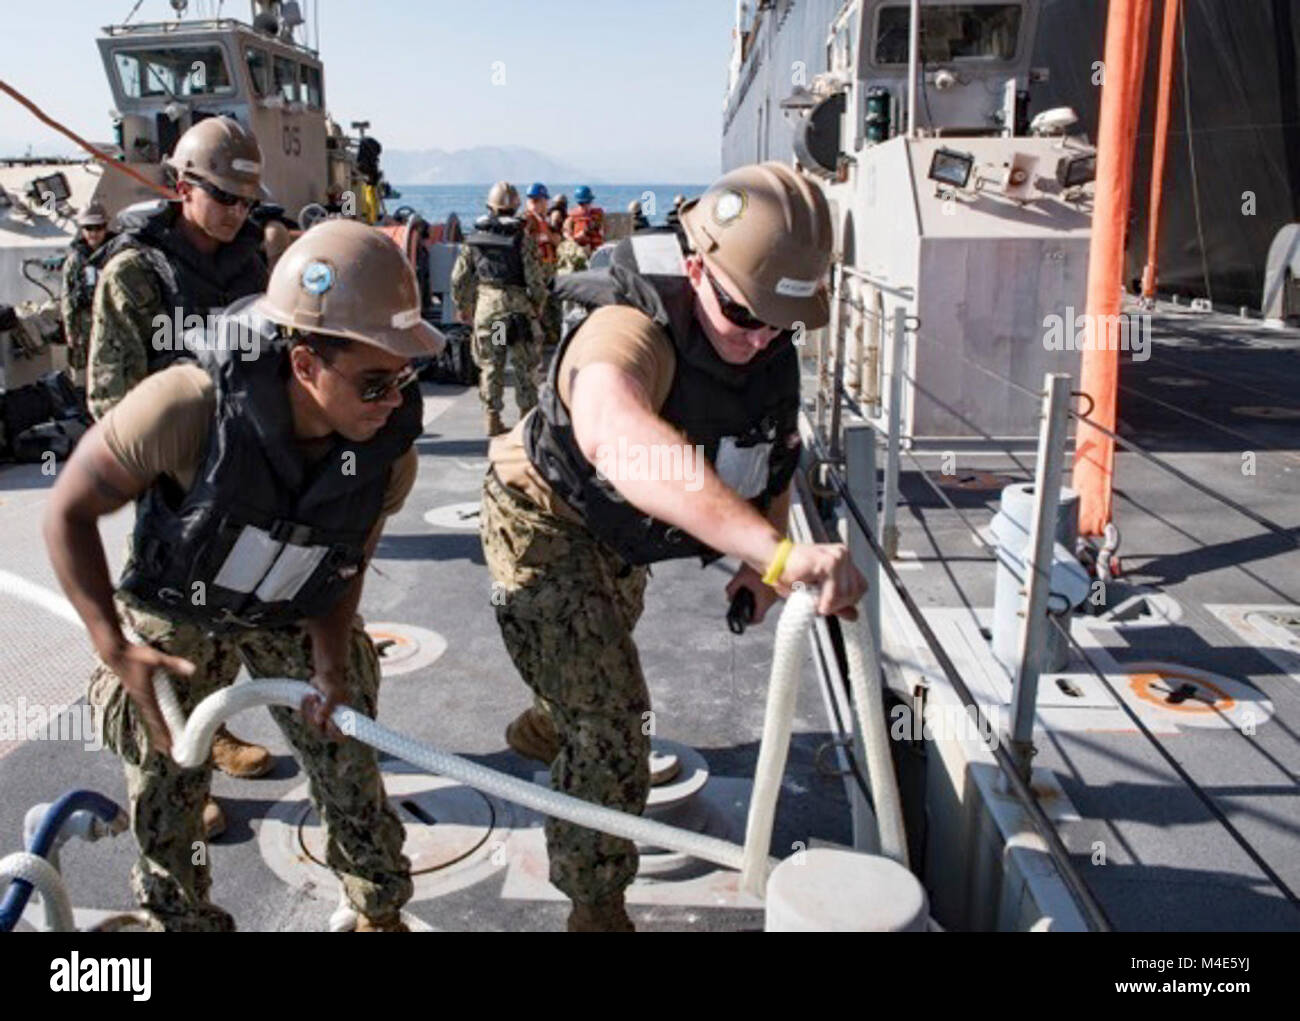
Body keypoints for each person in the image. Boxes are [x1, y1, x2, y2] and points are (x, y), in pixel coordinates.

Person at [480, 161, 866, 931]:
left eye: (779, 325)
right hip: (546, 521)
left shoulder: (764, 341)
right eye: (742, 314)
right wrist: (780, 553)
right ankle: (596, 906)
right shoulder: (630, 325)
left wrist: (762, 564)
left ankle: (557, 714)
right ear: (696, 269)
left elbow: (772, 453)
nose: (759, 339)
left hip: (623, 541)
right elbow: (619, 436)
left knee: (592, 671)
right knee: (614, 721)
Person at [44, 220, 444, 931]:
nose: (392, 401)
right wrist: (113, 644)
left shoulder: (385, 454)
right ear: (304, 364)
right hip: (184, 608)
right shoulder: (186, 407)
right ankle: (180, 917)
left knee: (348, 757)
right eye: (374, 380)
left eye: (405, 377)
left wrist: (329, 667)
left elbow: (342, 561)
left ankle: (378, 909)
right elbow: (67, 510)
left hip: (294, 604)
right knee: (166, 782)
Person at [84, 115, 273, 835]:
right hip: (178, 495)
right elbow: (110, 403)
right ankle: (174, 795)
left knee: (222, 634)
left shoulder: (252, 259)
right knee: (171, 645)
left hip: (248, 489)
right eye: (223, 198)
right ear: (181, 185)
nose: (237, 214)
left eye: (246, 202)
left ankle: (211, 730)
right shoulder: (137, 273)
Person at [450, 181, 547, 436]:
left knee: (493, 363)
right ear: (515, 208)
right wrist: (538, 304)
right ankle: (527, 418)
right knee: (524, 365)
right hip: (517, 313)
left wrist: (464, 306)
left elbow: (460, 278)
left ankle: (492, 418)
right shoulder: (522, 239)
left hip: (490, 310)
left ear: (490, 207)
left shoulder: (474, 239)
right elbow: (534, 278)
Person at [60, 202, 115, 378]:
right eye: (88, 228)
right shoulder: (75, 260)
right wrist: (70, 331)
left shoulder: (118, 254)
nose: (94, 233)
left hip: (114, 322)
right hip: (85, 323)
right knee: (84, 375)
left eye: (99, 227)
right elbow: (67, 297)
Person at [520, 182, 562, 346]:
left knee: (547, 306)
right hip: (537, 272)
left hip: (545, 269)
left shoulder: (542, 221)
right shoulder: (528, 221)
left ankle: (548, 338)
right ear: (540, 201)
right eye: (545, 201)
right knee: (538, 308)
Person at [562, 184, 605, 254]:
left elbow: (601, 229)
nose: (588, 205)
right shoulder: (571, 218)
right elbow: (567, 236)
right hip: (580, 252)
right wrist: (578, 236)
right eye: (587, 203)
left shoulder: (596, 215)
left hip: (595, 251)